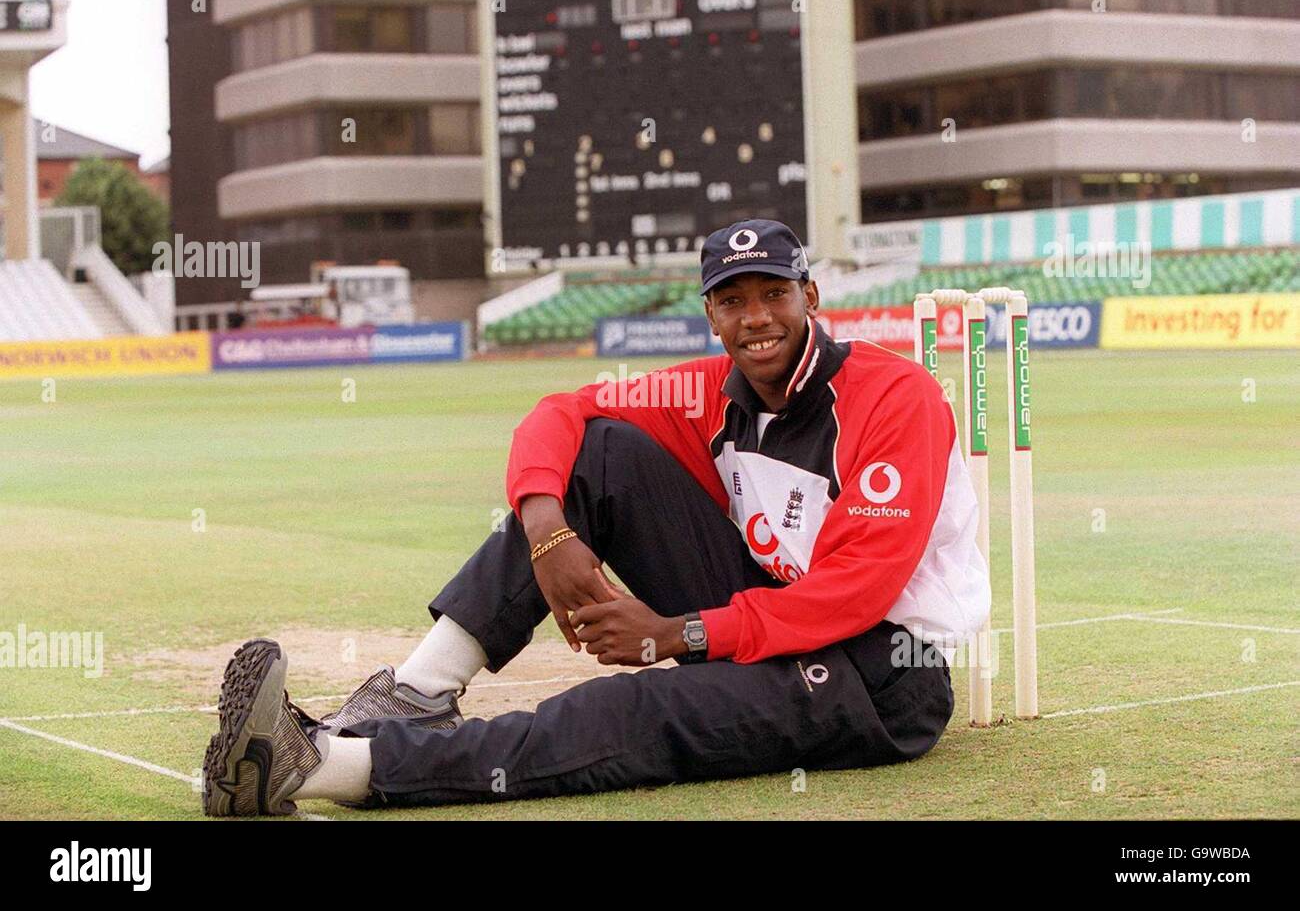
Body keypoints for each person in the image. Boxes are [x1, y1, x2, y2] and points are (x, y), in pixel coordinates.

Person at [201, 219, 990, 816]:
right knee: (599, 450)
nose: (756, 318)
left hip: (879, 671)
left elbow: (854, 591)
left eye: (774, 294)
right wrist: (548, 532)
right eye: (733, 300)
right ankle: (416, 693)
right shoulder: (710, 389)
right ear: (711, 314)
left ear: (810, 298)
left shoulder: (896, 397)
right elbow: (563, 411)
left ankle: (315, 768)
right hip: (768, 609)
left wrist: (675, 633)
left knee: (632, 712)